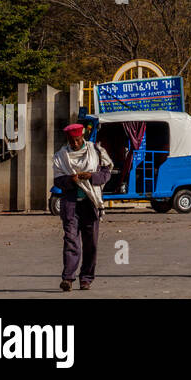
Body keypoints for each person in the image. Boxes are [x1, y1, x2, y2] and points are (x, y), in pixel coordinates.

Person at [52, 122, 113, 291]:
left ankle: (86, 278)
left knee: (90, 243)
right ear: (68, 140)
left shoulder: (96, 151)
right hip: (71, 205)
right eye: (72, 141)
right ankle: (68, 278)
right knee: (71, 241)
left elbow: (106, 173)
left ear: (82, 137)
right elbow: (57, 180)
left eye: (77, 140)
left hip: (91, 204)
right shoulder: (61, 156)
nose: (75, 143)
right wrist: (69, 180)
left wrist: (92, 176)